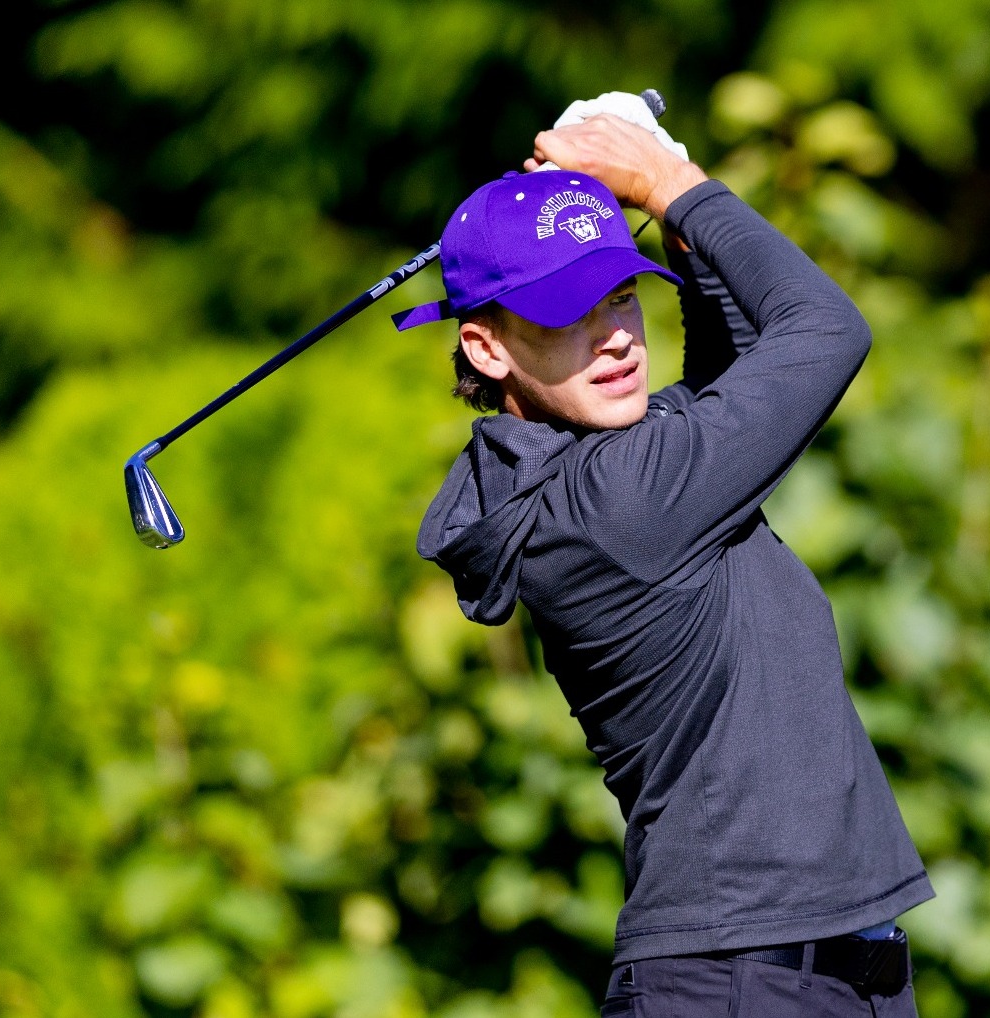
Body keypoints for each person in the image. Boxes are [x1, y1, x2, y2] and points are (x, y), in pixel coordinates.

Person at [394, 98, 931, 1017]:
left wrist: (673, 226)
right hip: (737, 983)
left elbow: (735, 361)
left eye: (620, 295)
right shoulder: (617, 503)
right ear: (485, 347)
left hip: (827, 975)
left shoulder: (621, 467)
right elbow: (821, 331)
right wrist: (668, 183)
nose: (614, 337)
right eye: (565, 311)